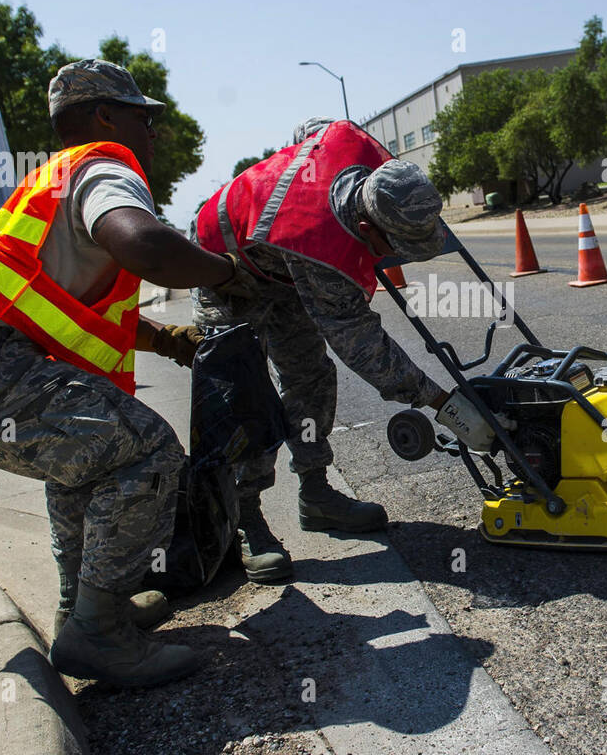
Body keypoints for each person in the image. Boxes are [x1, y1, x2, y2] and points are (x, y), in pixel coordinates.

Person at [0, 59, 256, 688]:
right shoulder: (105, 166)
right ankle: (98, 631)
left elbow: (61, 306)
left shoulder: (48, 185)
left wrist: (170, 341)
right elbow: (145, 245)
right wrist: (227, 273)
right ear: (105, 116)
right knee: (150, 452)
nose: (154, 131)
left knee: (87, 461)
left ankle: (80, 617)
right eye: (143, 116)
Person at [191, 116, 491, 582]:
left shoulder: (373, 164)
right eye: (397, 246)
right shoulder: (317, 240)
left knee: (309, 377)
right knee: (245, 394)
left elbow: (315, 130)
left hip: (280, 267)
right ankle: (244, 515)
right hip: (222, 270)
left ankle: (316, 494)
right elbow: (363, 347)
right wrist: (441, 402)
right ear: (366, 224)